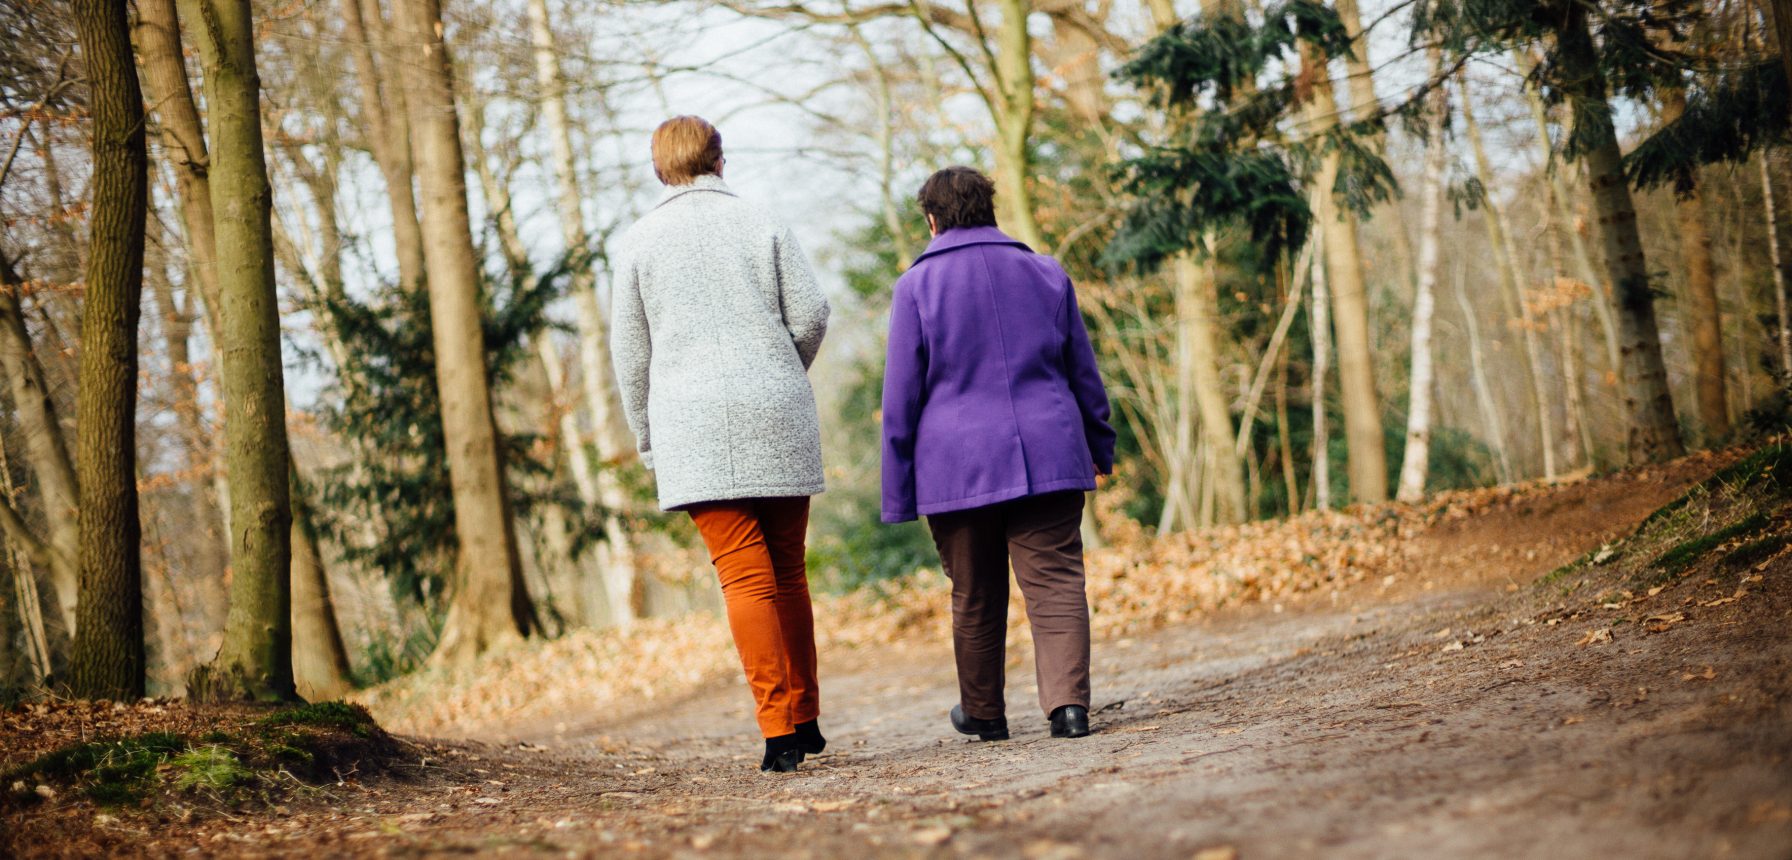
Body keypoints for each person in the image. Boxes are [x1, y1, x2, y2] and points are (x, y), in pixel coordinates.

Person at [610, 116, 831, 772]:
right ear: (720, 161)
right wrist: (780, 368)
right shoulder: (763, 221)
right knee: (788, 571)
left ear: (659, 169)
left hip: (693, 425)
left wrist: (649, 438)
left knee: (744, 576)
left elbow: (631, 354)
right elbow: (814, 314)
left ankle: (778, 731)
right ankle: (808, 715)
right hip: (776, 410)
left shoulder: (638, 243)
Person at [881, 166, 1116, 742]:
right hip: (1049, 450)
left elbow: (901, 398)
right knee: (1056, 580)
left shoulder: (916, 287)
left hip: (955, 465)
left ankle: (985, 713)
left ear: (932, 221)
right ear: (990, 212)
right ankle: (1068, 709)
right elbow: (1082, 371)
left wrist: (898, 491)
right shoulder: (1046, 272)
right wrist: (1099, 442)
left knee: (975, 589)